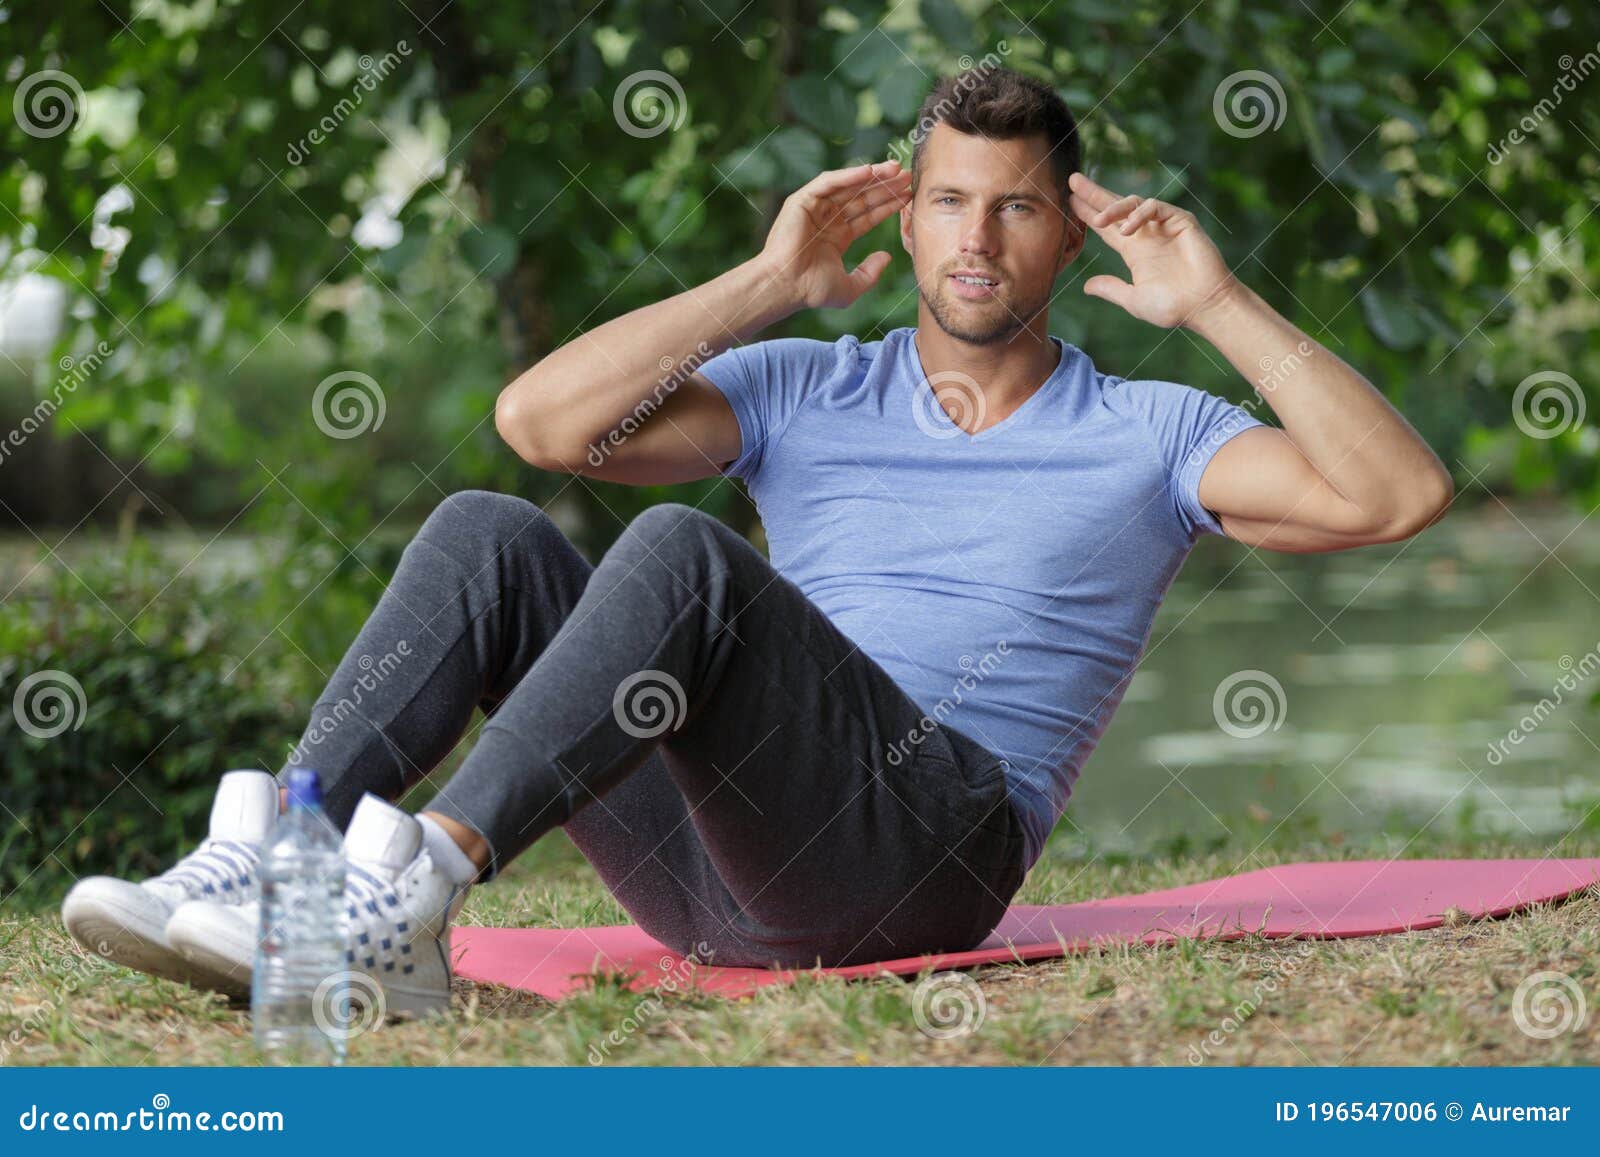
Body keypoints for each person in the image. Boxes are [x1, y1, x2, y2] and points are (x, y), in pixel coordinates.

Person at [62, 66, 1452, 1015]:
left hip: (928, 860)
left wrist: (1215, 304)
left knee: (684, 556)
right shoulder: (809, 386)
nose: (979, 238)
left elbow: (1394, 496)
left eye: (1018, 205)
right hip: (719, 880)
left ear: (1067, 239)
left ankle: (404, 896)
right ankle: (283, 863)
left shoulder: (1151, 430)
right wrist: (769, 284)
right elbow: (538, 420)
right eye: (951, 200)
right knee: (491, 532)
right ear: (906, 222)